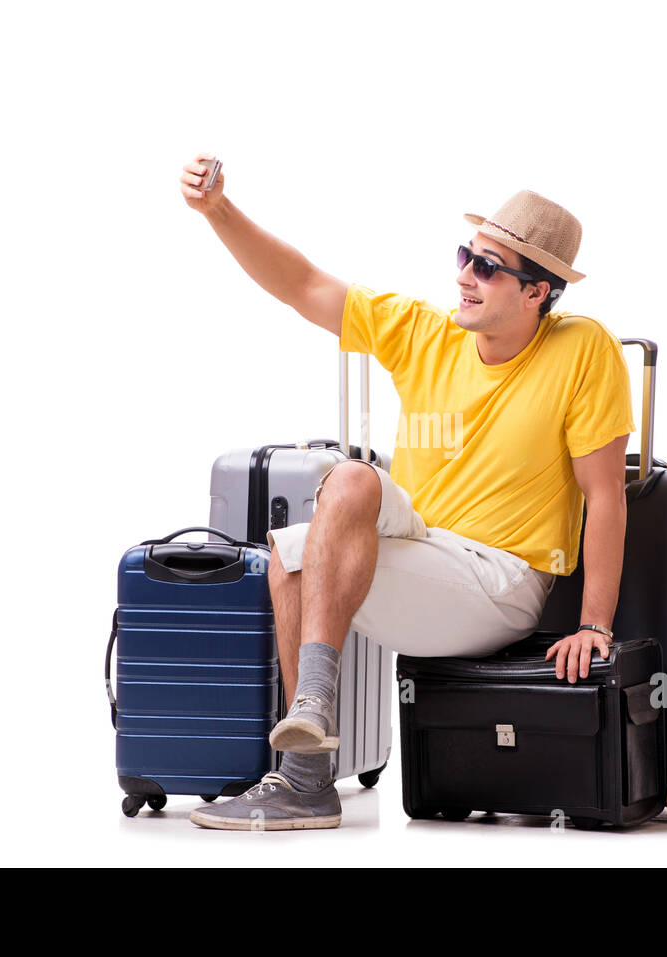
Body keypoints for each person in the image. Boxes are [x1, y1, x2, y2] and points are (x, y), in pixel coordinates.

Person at [179, 155, 634, 830]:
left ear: (538, 292)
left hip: (501, 577)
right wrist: (219, 211)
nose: (464, 276)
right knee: (305, 533)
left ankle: (303, 767)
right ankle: (307, 751)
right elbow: (301, 285)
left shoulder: (583, 350)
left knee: (310, 545)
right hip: (422, 545)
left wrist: (594, 623)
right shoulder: (427, 332)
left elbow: (605, 496)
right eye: (464, 256)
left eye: (488, 267)